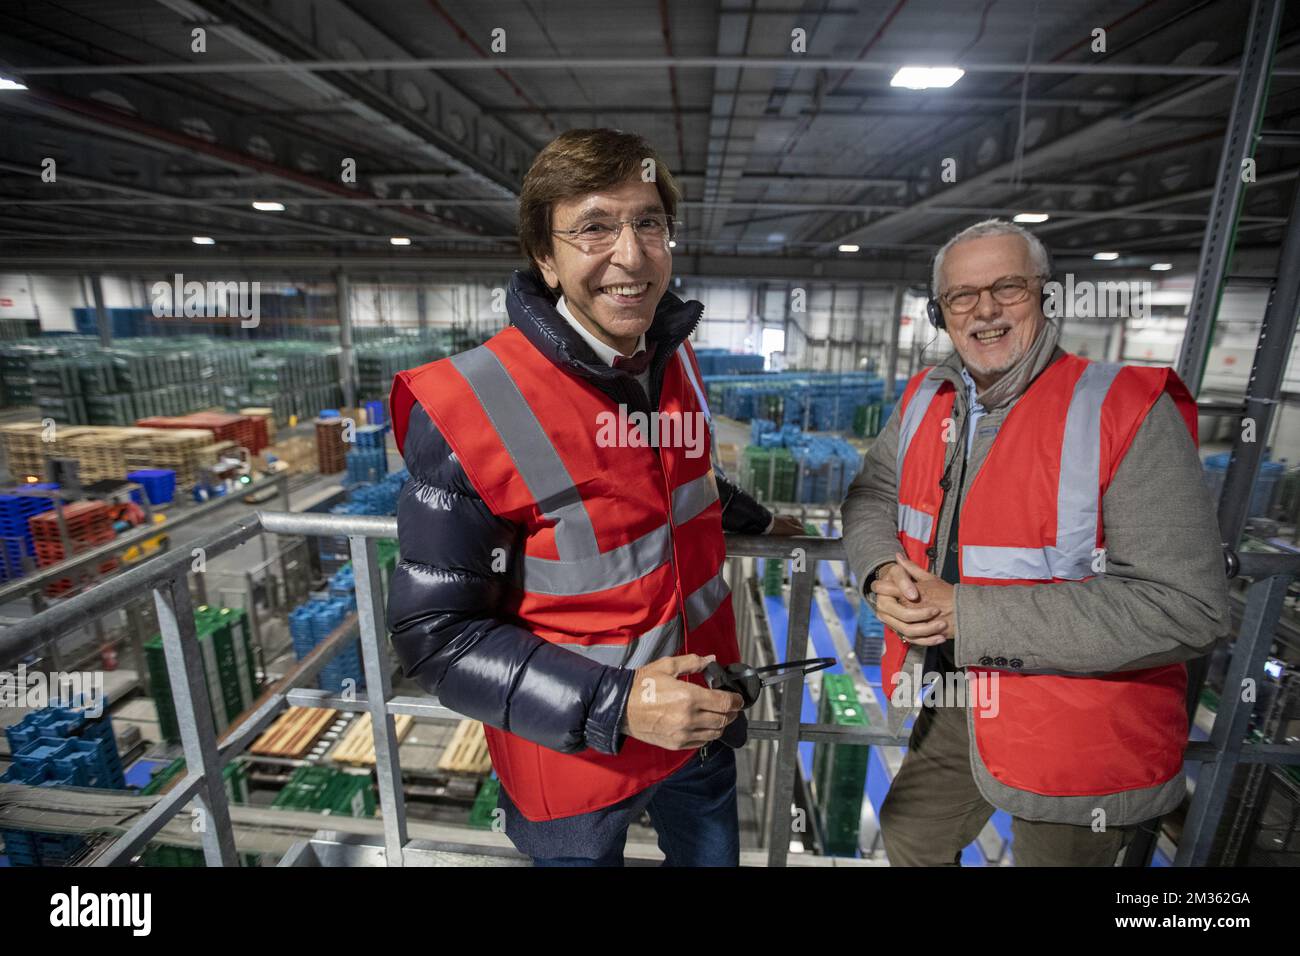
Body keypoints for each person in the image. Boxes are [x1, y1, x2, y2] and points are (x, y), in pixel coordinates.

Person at [386, 128, 803, 867]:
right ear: (545, 258)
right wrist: (621, 705)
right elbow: (437, 637)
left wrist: (764, 520)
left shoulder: (672, 359)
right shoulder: (468, 404)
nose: (632, 255)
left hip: (700, 719)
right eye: (593, 228)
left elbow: (678, 484)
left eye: (649, 223)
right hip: (575, 760)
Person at [840, 218, 1230, 866]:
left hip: (1081, 727)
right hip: (961, 698)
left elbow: (1188, 607)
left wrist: (964, 611)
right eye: (962, 296)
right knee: (910, 834)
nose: (984, 310)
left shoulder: (1126, 407)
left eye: (1008, 287)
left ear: (1045, 294)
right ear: (941, 313)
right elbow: (874, 494)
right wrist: (881, 565)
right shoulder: (927, 397)